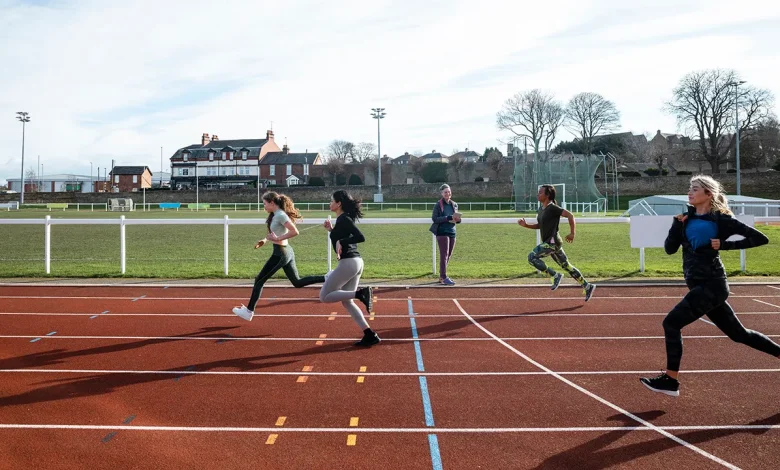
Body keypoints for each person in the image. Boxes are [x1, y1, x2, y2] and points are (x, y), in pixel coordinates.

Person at [640, 175, 779, 397]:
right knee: (739, 335)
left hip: (713, 285)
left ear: (708, 194)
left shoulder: (721, 221)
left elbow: (760, 238)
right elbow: (669, 249)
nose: (690, 192)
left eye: (695, 189)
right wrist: (676, 226)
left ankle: (670, 380)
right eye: (689, 188)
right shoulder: (685, 218)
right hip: (699, 286)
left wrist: (724, 244)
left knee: (671, 323)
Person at [232, 192, 325, 321]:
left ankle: (249, 311)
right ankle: (327, 277)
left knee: (259, 280)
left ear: (272, 203)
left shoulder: (280, 215)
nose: (263, 206)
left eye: (265, 203)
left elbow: (294, 231)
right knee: (297, 282)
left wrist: (278, 238)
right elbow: (276, 233)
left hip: (280, 253)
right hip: (286, 251)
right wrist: (265, 240)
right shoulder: (275, 215)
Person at [320, 190, 379, 347]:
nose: (329, 203)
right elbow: (343, 236)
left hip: (349, 263)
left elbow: (360, 237)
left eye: (332, 201)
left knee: (324, 296)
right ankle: (369, 334)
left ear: (339, 203)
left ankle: (361, 293)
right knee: (347, 302)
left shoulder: (344, 218)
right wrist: (332, 231)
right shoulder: (341, 220)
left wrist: (342, 242)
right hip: (354, 263)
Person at [518, 184, 596, 301]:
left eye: (540, 192)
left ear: (548, 195)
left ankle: (555, 275)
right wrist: (526, 225)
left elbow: (570, 215)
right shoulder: (540, 209)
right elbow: (540, 225)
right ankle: (587, 286)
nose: (537, 194)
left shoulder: (552, 208)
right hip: (550, 243)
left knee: (532, 257)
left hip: (553, 242)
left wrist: (572, 233)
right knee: (567, 266)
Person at [429, 183, 461, 285]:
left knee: (448, 255)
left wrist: (458, 219)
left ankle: (442, 275)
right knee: (444, 255)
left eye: (449, 192)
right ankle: (443, 276)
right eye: (445, 192)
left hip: (452, 232)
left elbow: (457, 220)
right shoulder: (438, 205)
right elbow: (434, 219)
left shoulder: (454, 204)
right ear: (442, 193)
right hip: (442, 232)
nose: (448, 194)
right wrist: (447, 218)